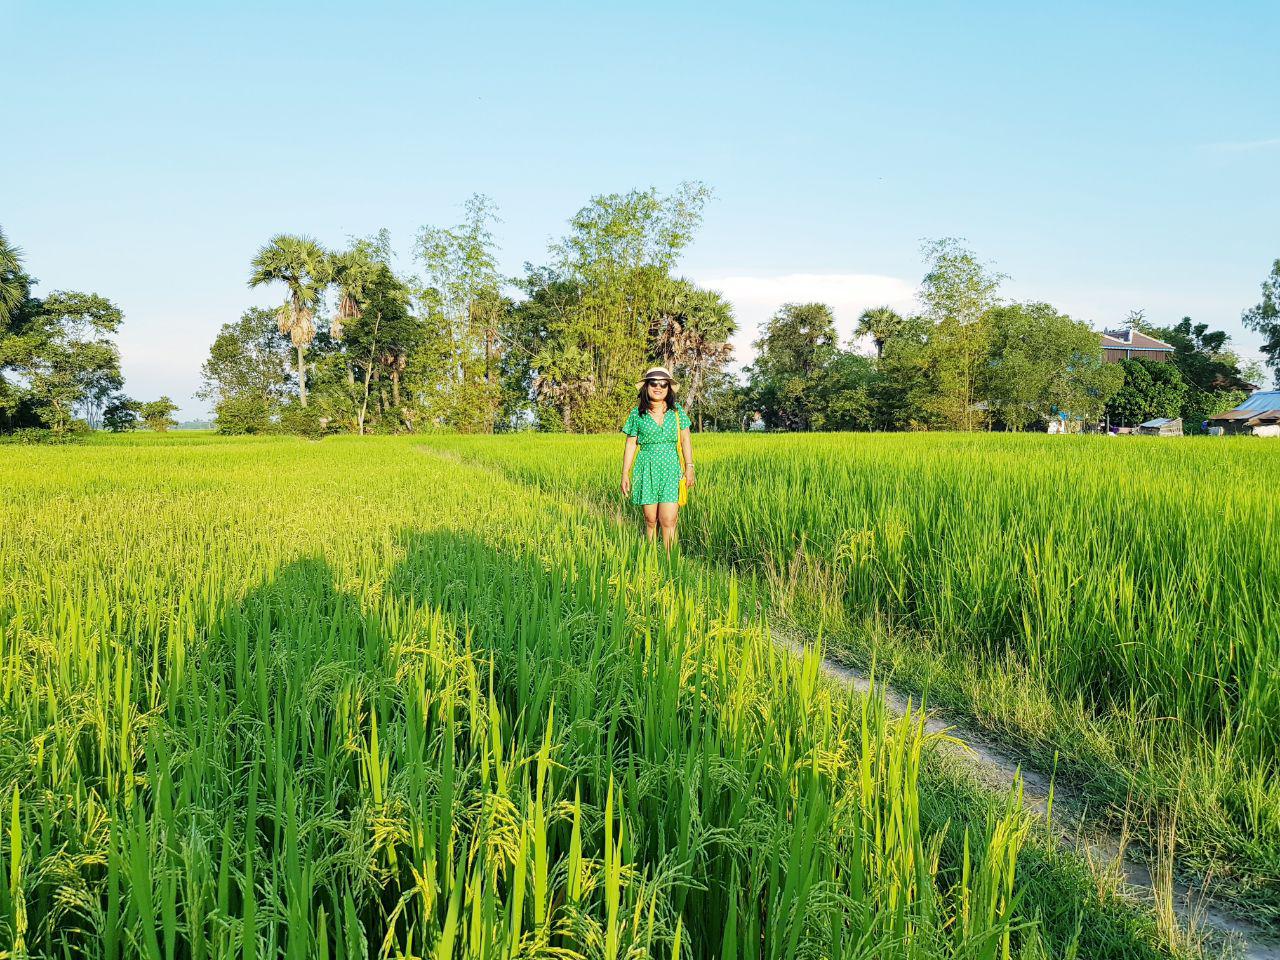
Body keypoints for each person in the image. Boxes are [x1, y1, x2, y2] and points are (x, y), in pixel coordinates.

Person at [620, 367, 695, 547]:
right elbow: (631, 444)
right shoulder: (637, 414)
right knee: (651, 519)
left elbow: (685, 439)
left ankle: (671, 563)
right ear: (646, 386)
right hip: (646, 468)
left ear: (669, 388)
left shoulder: (677, 412)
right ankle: (652, 557)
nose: (658, 387)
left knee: (668, 520)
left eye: (664, 384)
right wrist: (625, 473)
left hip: (671, 468)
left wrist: (690, 467)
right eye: (653, 383)